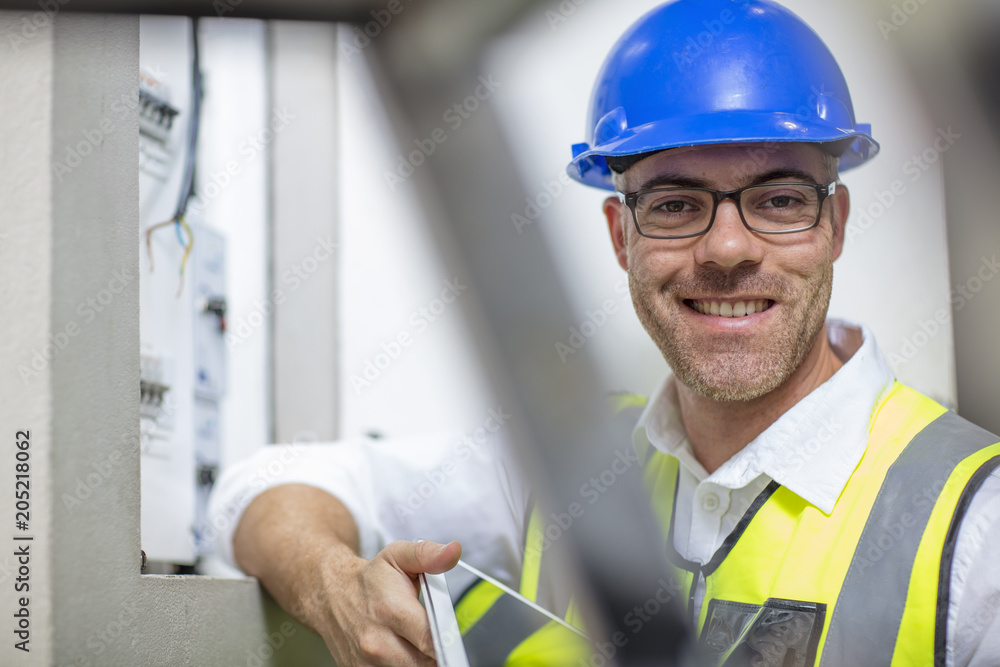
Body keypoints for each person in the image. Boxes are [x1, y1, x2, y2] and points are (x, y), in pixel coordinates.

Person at [208, 1, 1000, 665]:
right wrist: (336, 588)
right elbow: (265, 485)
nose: (727, 248)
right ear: (621, 237)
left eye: (780, 199)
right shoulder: (566, 469)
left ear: (835, 223)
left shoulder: (977, 522)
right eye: (676, 204)